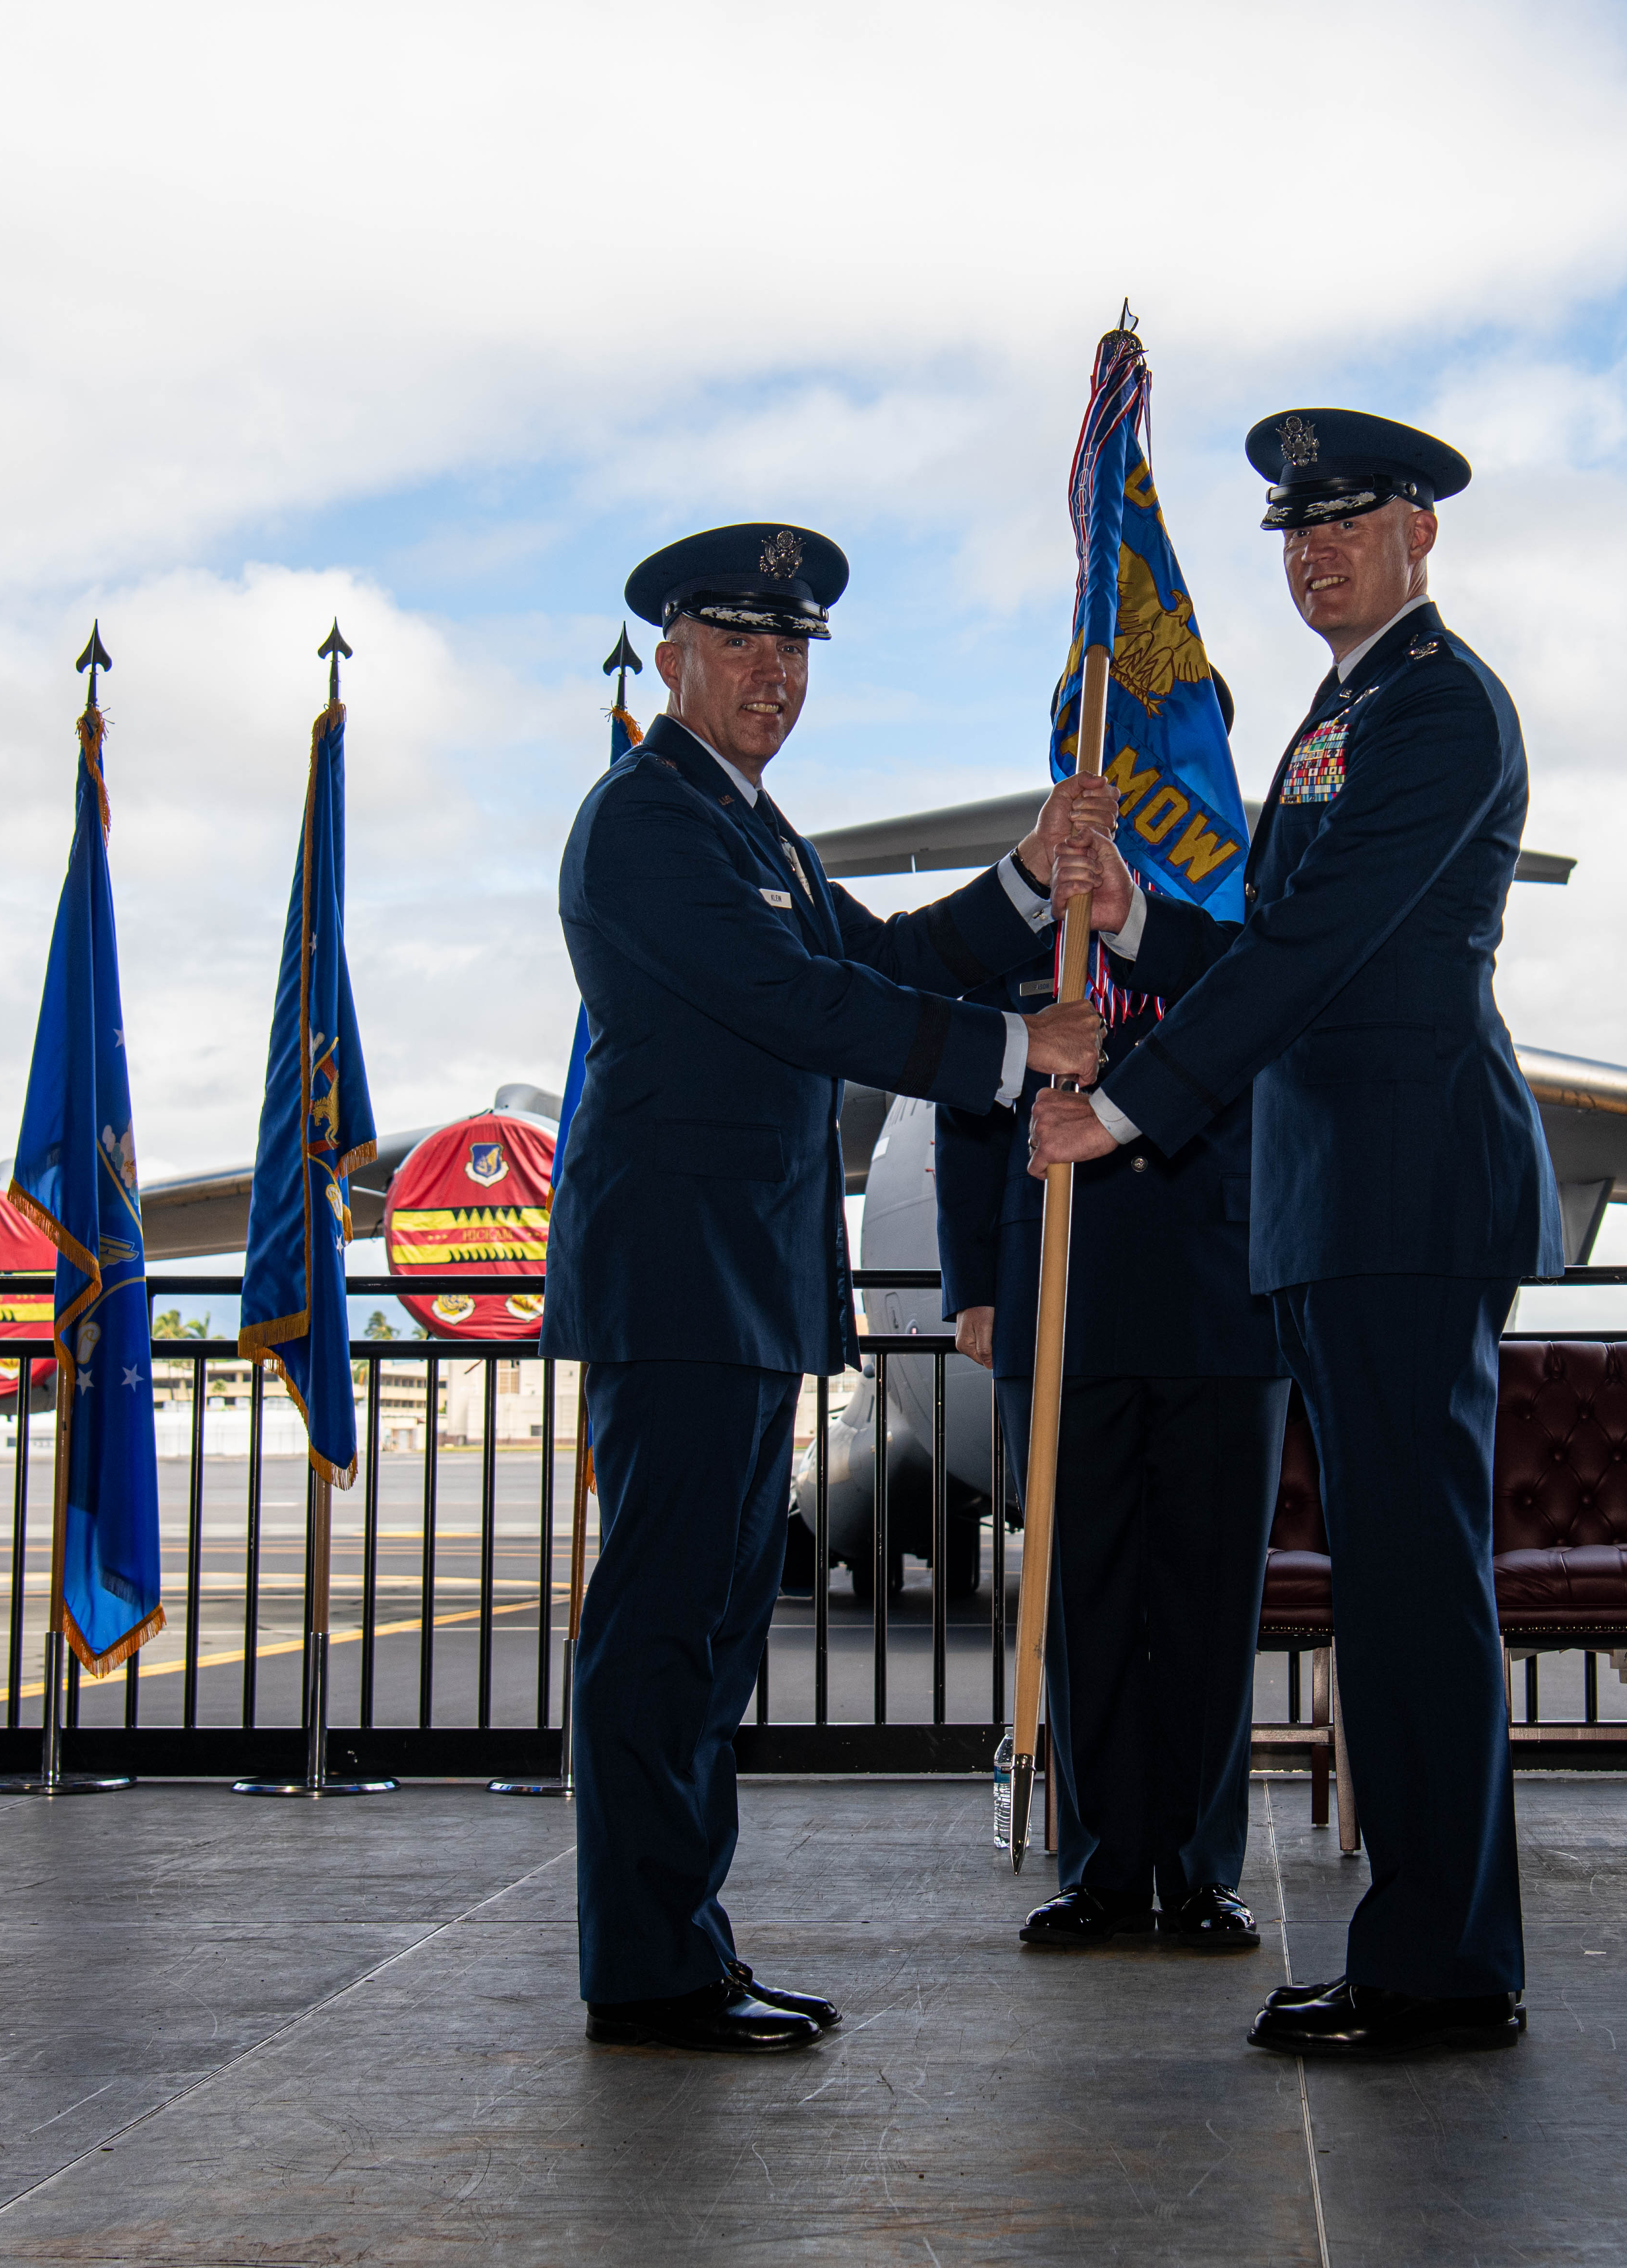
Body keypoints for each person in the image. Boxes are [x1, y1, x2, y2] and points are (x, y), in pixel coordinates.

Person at [545, 521, 1117, 2054]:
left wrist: (1029, 875)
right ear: (670, 656)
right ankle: (647, 1964)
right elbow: (803, 1002)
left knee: (719, 1626)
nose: (771, 672)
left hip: (738, 1283)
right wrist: (1018, 1053)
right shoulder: (650, 823)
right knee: (664, 1627)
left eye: (791, 649)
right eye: (739, 642)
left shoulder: (758, 832)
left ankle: (683, 1943)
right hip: (678, 1282)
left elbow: (894, 951)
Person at [1031, 412, 1563, 2058]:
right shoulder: (1339, 713)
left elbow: (1323, 948)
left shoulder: (1444, 706)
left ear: (1420, 529)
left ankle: (1444, 1965)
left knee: (1415, 1588)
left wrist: (1126, 1108)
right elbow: (1263, 938)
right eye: (1292, 531)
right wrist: (1141, 921)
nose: (1312, 553)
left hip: (1412, 1194)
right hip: (1335, 1198)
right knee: (1388, 1591)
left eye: (1345, 522)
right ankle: (1424, 1942)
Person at [937, 676, 1287, 1958]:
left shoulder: (1236, 917)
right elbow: (965, 1111)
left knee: (1202, 1602)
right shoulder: (1023, 939)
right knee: (1082, 1600)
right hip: (1065, 1299)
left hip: (1215, 1299)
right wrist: (974, 1284)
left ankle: (1196, 1870)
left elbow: (1252, 1046)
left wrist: (1133, 913)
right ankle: (1097, 1868)